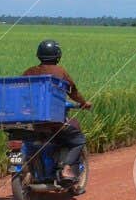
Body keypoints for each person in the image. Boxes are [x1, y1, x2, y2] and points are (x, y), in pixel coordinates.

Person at [22, 39, 92, 185]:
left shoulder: (29, 72)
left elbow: (21, 93)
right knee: (78, 140)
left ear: (39, 55)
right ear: (57, 55)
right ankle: (66, 169)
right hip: (53, 123)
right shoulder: (60, 72)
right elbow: (73, 92)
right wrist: (84, 103)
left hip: (30, 123)